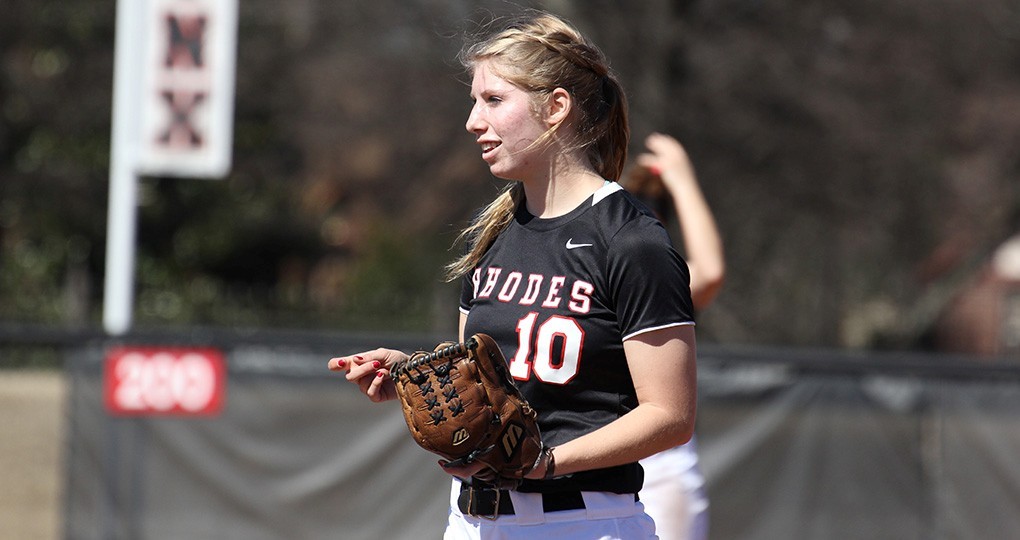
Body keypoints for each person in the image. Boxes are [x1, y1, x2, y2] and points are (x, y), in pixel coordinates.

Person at [329, 11, 697, 540]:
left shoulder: (630, 240)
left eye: (494, 100)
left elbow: (671, 415)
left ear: (556, 108)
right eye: (475, 101)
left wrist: (546, 463)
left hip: (583, 523)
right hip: (472, 522)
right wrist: (414, 373)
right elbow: (484, 382)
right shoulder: (496, 233)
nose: (473, 121)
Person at [624, 132, 726, 540]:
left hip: (658, 467)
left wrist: (681, 180)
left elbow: (709, 272)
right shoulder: (581, 269)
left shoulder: (661, 279)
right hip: (588, 468)